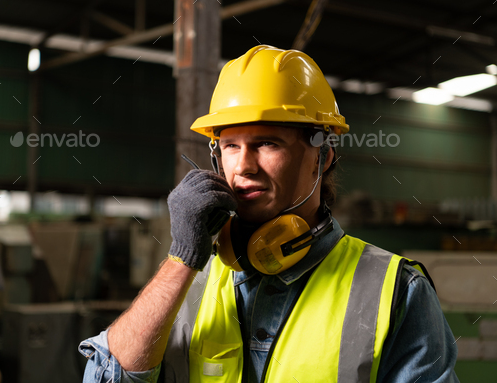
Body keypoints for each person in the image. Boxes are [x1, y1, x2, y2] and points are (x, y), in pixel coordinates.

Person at [78, 45, 460, 383]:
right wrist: (182, 259)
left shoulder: (394, 291)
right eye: (230, 146)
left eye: (266, 143)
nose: (244, 166)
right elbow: (106, 378)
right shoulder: (188, 281)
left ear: (321, 158)